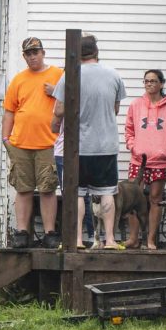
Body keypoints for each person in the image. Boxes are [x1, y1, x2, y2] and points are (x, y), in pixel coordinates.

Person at [0, 37, 62, 246]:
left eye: (36, 52)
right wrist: (5, 139)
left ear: (43, 53)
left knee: (47, 189)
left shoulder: (58, 74)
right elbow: (9, 112)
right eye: (28, 53)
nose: (33, 56)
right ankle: (22, 232)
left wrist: (56, 91)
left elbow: (72, 100)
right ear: (24, 56)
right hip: (20, 144)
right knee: (23, 188)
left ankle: (50, 233)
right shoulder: (18, 80)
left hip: (49, 143)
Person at [70, 35, 126, 249]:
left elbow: (58, 110)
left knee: (77, 193)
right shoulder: (113, 74)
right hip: (106, 145)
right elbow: (116, 108)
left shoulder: (71, 75)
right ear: (96, 52)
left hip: (80, 146)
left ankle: (76, 239)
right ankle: (110, 239)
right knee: (106, 192)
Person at [121, 70, 166, 250]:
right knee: (133, 199)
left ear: (162, 84)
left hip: (161, 161)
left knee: (155, 199)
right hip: (138, 160)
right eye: (146, 81)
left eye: (154, 81)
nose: (149, 84)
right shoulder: (136, 104)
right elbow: (129, 129)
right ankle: (133, 239)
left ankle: (150, 240)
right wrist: (133, 147)